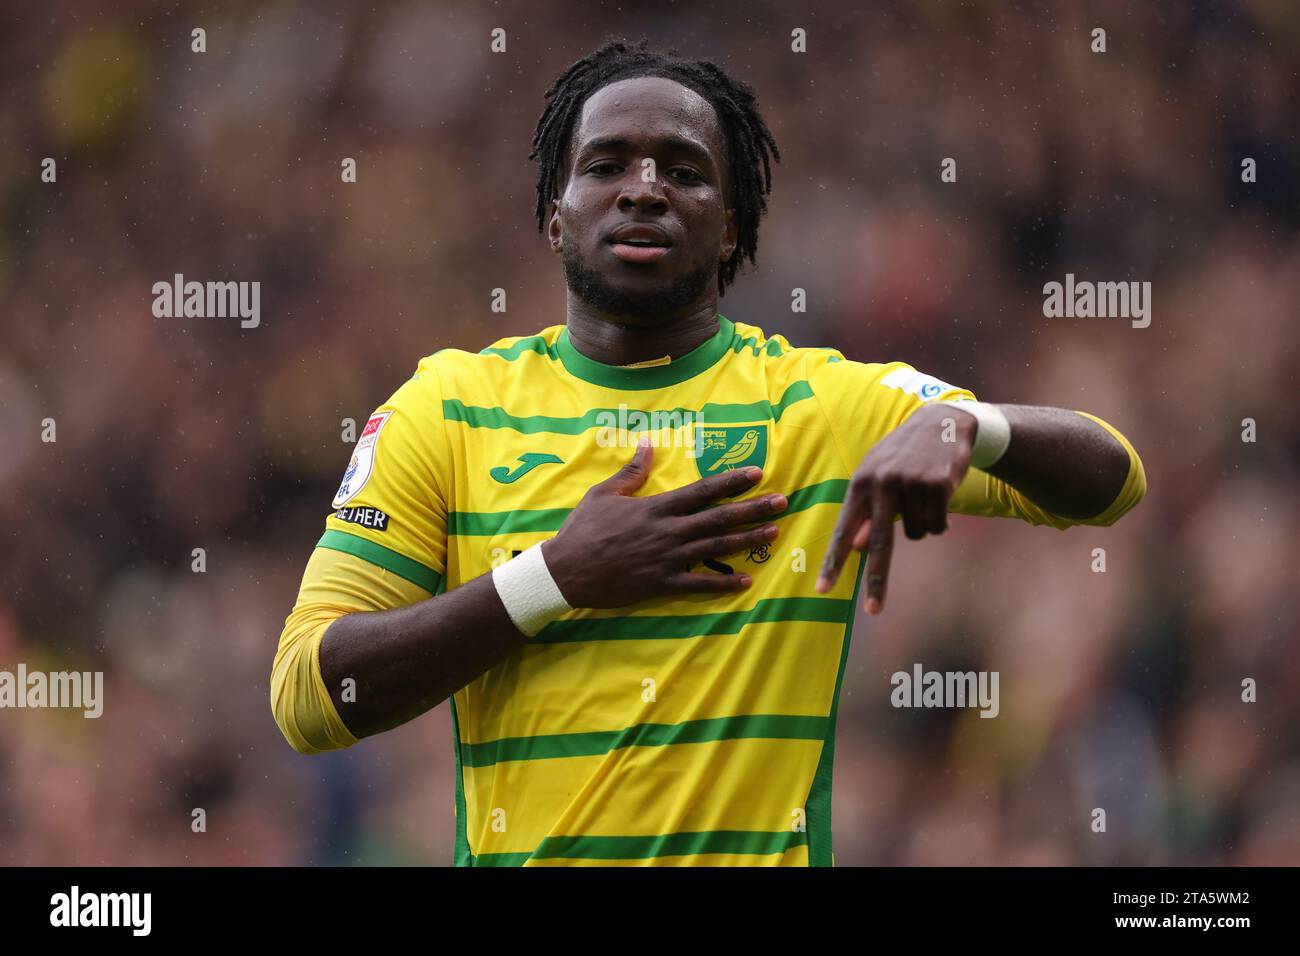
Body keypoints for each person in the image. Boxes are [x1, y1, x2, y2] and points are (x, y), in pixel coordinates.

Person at [270, 39, 1146, 866]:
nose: (644, 189)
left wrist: (972, 426)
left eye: (683, 172)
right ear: (555, 217)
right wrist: (554, 578)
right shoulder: (449, 409)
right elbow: (309, 697)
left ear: (729, 228)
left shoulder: (817, 404)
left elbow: (1112, 479)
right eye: (607, 164)